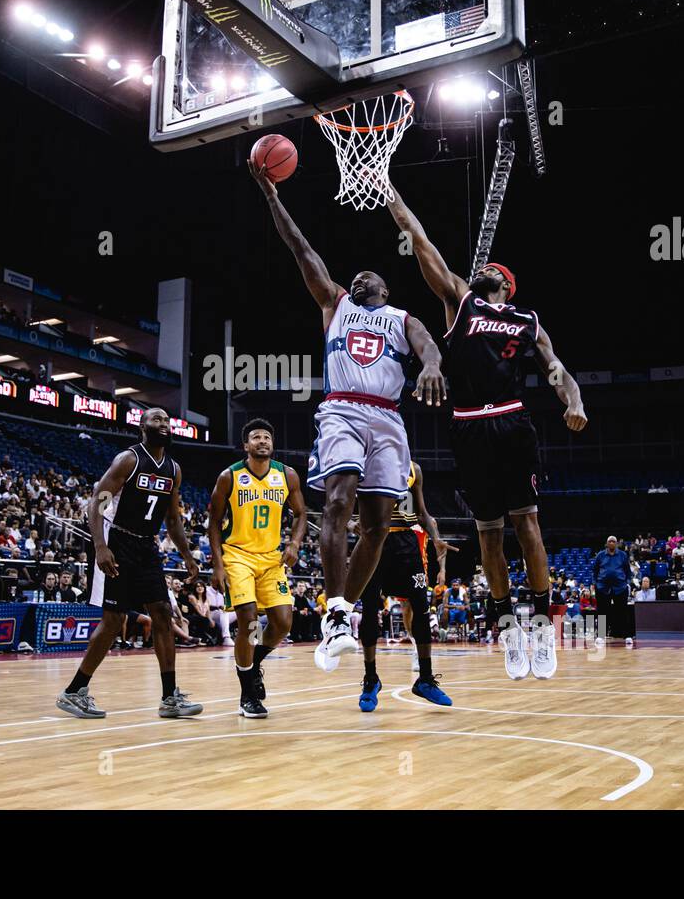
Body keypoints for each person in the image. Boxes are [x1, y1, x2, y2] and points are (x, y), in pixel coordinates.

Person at [249, 160, 445, 674]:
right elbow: (301, 248)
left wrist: (431, 366)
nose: (359, 277)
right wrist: (271, 195)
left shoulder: (402, 319)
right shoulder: (335, 302)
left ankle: (345, 609)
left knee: (378, 524)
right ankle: (335, 612)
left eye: (369, 275)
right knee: (339, 500)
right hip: (342, 409)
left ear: (384, 288)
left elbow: (428, 346)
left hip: (388, 418)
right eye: (354, 276)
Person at [386, 186, 586, 680]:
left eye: (495, 270)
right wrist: (390, 195)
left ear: (507, 284)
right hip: (470, 425)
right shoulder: (460, 301)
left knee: (529, 526)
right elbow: (421, 240)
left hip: (514, 422)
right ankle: (507, 629)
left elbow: (557, 368)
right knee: (489, 537)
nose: (486, 269)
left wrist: (575, 401)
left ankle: (540, 626)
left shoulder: (526, 321)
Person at [56, 407, 202, 719]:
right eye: (156, 419)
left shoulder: (173, 469)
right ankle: (74, 691)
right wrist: (100, 546)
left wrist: (188, 556)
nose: (163, 423)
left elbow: (173, 518)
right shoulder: (129, 460)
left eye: (166, 420)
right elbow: (98, 501)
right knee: (113, 621)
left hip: (146, 546)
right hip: (118, 541)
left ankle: (169, 697)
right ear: (142, 427)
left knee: (162, 613)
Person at [207, 417, 307, 718]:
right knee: (249, 621)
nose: (262, 441)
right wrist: (217, 565)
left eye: (266, 437)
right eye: (256, 437)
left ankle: (253, 664)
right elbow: (213, 523)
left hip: (271, 557)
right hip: (237, 555)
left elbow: (301, 514)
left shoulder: (287, 475)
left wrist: (293, 544)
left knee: (283, 623)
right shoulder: (229, 476)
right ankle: (247, 695)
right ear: (245, 445)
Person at [357, 461, 456, 711]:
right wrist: (349, 522)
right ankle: (371, 680)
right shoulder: (364, 465)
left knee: (421, 609)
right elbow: (344, 503)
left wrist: (435, 538)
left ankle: (425, 679)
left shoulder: (415, 470)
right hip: (375, 540)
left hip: (406, 541)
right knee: (370, 610)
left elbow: (422, 513)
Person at [592, 536, 634, 645]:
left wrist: (627, 582)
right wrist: (596, 584)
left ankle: (627, 636)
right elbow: (595, 570)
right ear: (606, 543)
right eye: (609, 541)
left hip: (620, 588)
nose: (611, 543)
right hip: (602, 588)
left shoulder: (622, 555)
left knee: (623, 612)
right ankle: (601, 636)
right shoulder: (600, 555)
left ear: (616, 544)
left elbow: (627, 571)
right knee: (602, 612)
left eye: (613, 541)